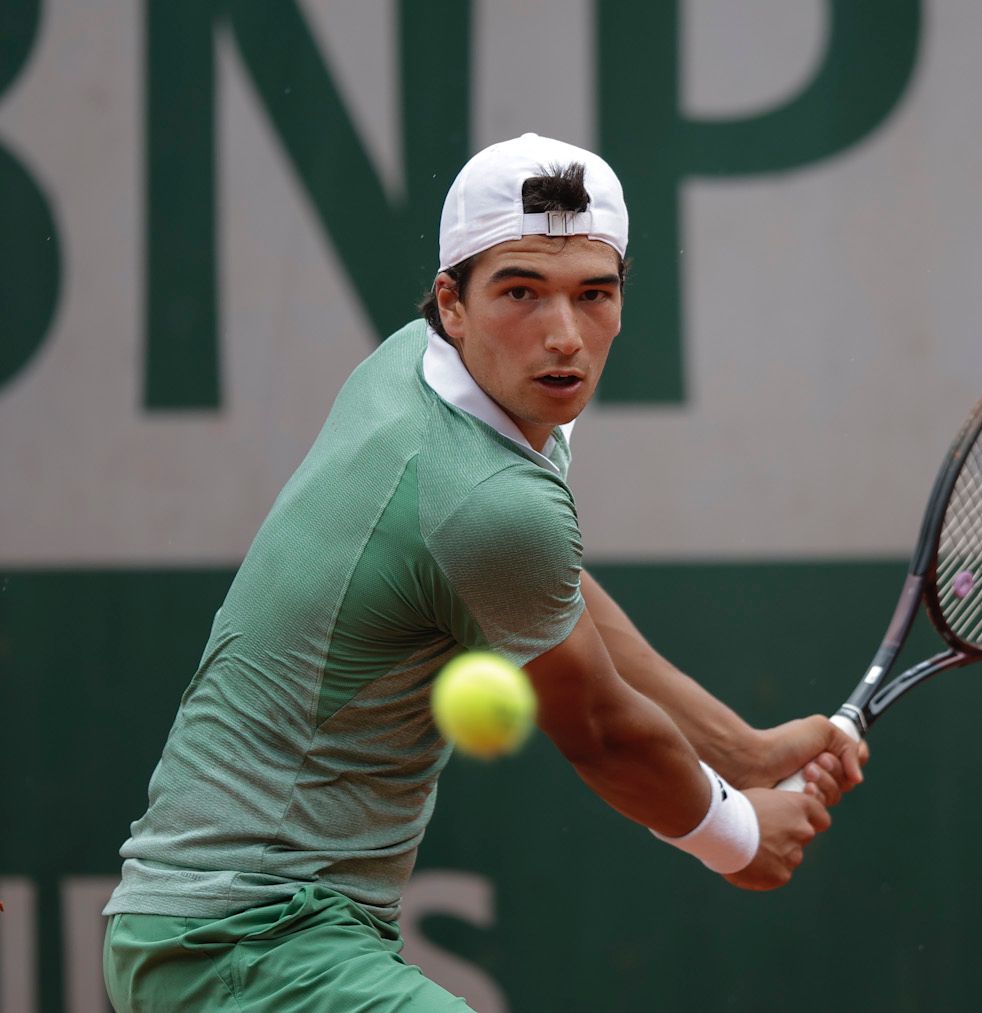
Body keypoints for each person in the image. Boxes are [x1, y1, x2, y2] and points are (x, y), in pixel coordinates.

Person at [102, 133, 867, 1011]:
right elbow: (605, 731)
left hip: (235, 931)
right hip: (242, 942)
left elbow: (550, 590)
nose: (563, 336)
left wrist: (742, 749)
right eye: (520, 292)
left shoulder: (429, 374)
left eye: (594, 294)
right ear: (451, 302)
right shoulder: (488, 500)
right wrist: (737, 834)